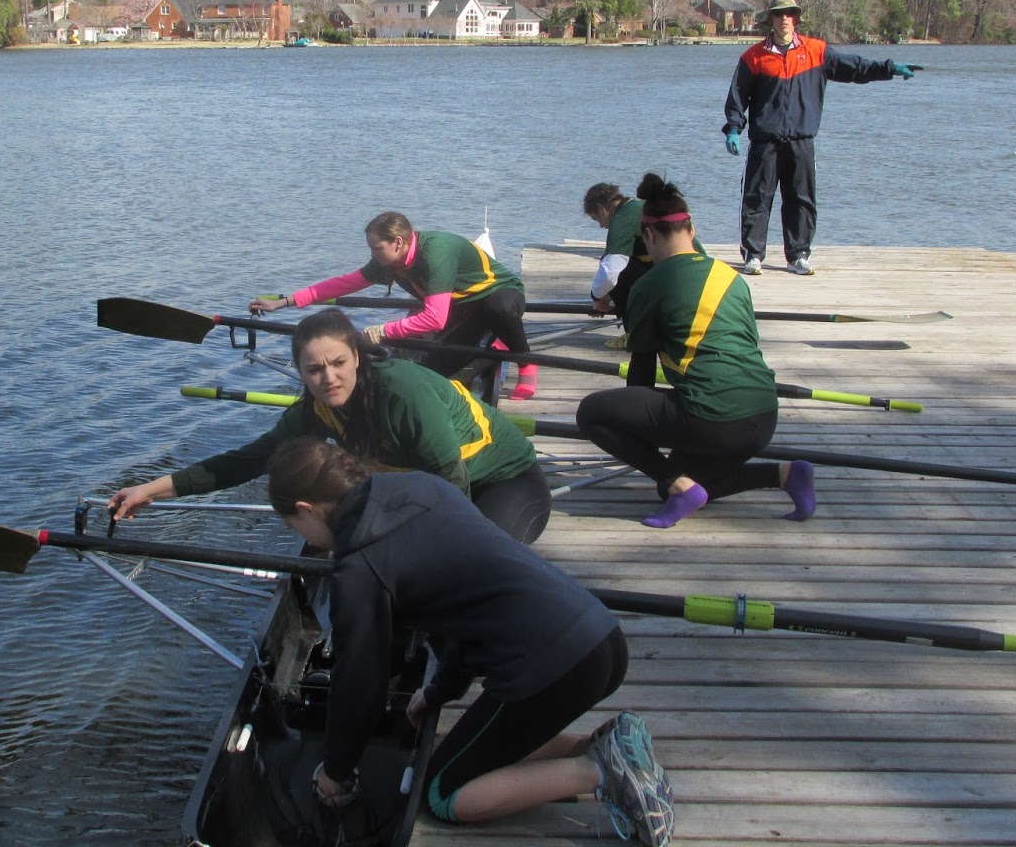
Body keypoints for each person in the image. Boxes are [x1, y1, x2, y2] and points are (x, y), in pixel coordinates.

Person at [269, 437, 674, 845]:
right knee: (479, 751)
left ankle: (599, 770)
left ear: (306, 509)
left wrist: (335, 773)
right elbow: (462, 612)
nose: (301, 532)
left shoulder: (359, 568)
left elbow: (360, 685)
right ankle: (609, 746)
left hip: (551, 665)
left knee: (443, 794)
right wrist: (439, 690)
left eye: (293, 525)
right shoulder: (420, 487)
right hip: (599, 635)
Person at [108, 308, 551, 542]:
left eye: (338, 363)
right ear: (300, 371)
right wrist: (152, 489)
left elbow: (451, 485)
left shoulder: (404, 394)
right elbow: (248, 460)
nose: (329, 378)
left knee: (478, 561)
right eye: (314, 369)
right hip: (420, 483)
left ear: (358, 357)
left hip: (504, 481)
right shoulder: (312, 410)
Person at [576, 175, 815, 529]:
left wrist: (645, 449)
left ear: (650, 236)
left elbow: (641, 374)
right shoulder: (732, 277)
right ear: (692, 229)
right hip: (764, 414)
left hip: (713, 420)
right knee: (672, 489)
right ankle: (786, 474)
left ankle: (675, 479)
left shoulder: (648, 285)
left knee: (591, 413)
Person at [722, 0, 918, 275]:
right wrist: (733, 128)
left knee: (801, 199)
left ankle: (798, 255)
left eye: (789, 13)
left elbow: (856, 67)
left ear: (796, 18)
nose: (785, 19)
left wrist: (891, 69)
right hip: (765, 141)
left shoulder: (816, 52)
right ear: (772, 20)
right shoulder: (754, 57)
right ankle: (754, 255)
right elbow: (737, 97)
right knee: (757, 198)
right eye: (779, 14)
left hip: (801, 139)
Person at [249, 211, 538, 399]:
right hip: (464, 308)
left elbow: (434, 319)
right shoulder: (389, 262)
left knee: (498, 311)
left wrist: (383, 331)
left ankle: (526, 362)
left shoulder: (436, 252)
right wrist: (284, 302)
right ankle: (491, 351)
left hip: (501, 293)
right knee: (432, 374)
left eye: (377, 248)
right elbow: (343, 284)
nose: (373, 255)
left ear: (398, 242)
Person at [582, 182, 702, 328]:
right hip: (699, 270)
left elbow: (610, 272)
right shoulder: (638, 206)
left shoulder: (622, 219)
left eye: (597, 219)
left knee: (620, 270)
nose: (601, 225)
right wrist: (607, 294)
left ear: (603, 208)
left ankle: (633, 332)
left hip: (681, 279)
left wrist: (597, 297)